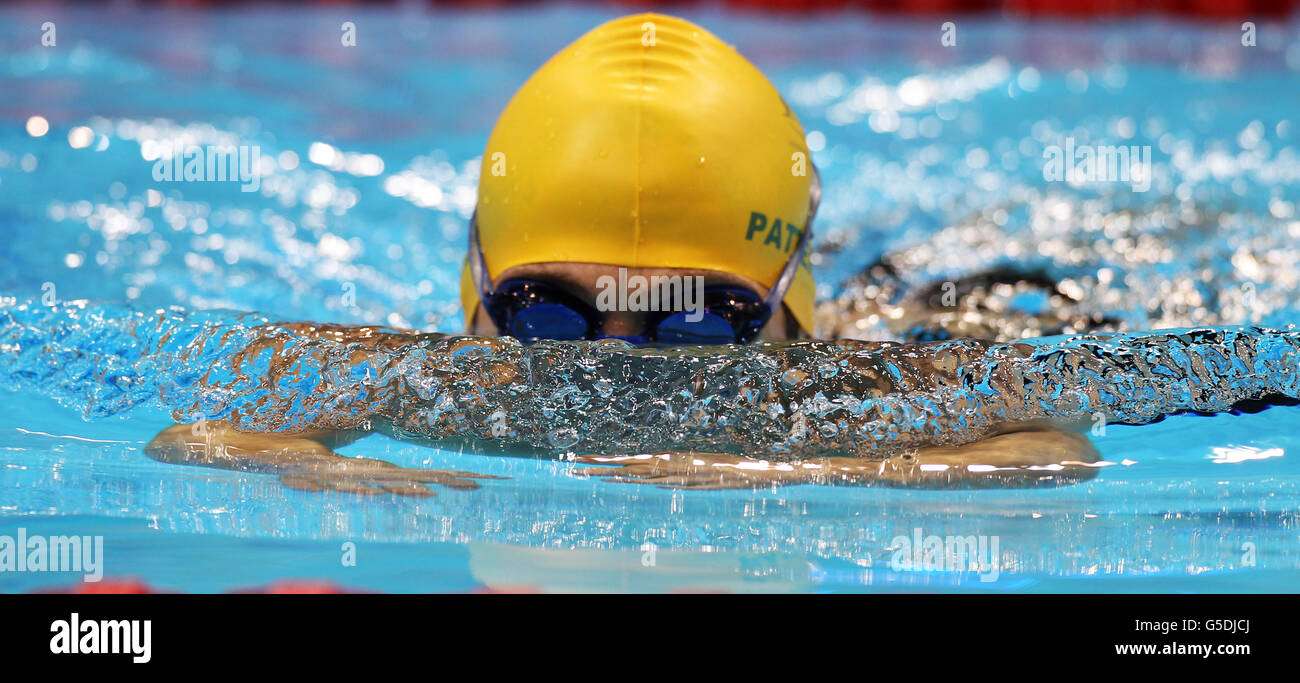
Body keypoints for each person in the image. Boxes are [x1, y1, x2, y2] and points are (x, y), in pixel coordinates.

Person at [146, 13, 1099, 496]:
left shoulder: (843, 393)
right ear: (475, 298)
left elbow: (1054, 449)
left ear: (787, 314)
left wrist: (788, 469)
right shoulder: (451, 377)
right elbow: (198, 432)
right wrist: (339, 475)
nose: (612, 361)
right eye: (548, 313)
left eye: (692, 322)